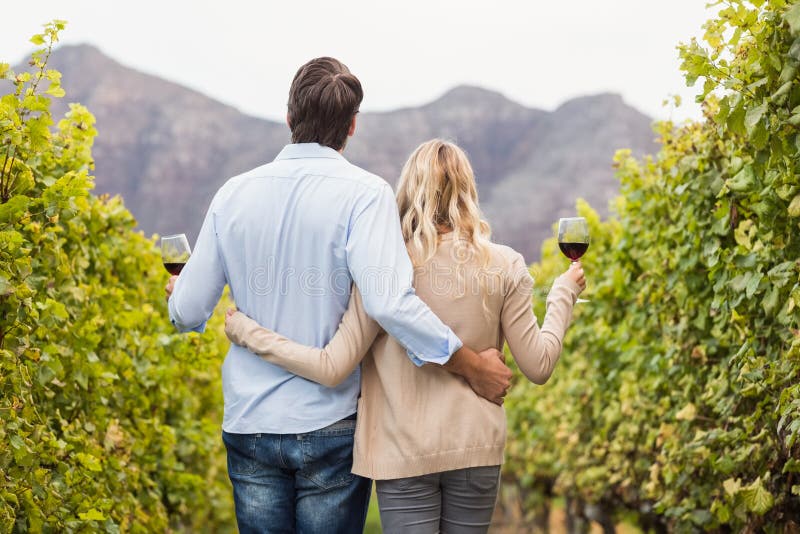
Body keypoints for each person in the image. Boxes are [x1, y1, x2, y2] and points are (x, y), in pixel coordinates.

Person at [165, 58, 513, 534]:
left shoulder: (232, 195)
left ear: (289, 118)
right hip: (330, 425)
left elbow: (186, 312)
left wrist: (179, 295)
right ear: (352, 126)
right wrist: (471, 365)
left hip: (250, 422)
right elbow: (391, 303)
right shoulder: (366, 195)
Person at [225, 139, 587, 533]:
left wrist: (248, 331)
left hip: (402, 454)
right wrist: (563, 292)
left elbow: (331, 367)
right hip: (475, 449)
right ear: (469, 190)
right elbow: (539, 365)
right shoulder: (505, 265)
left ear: (409, 189)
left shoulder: (382, 272)